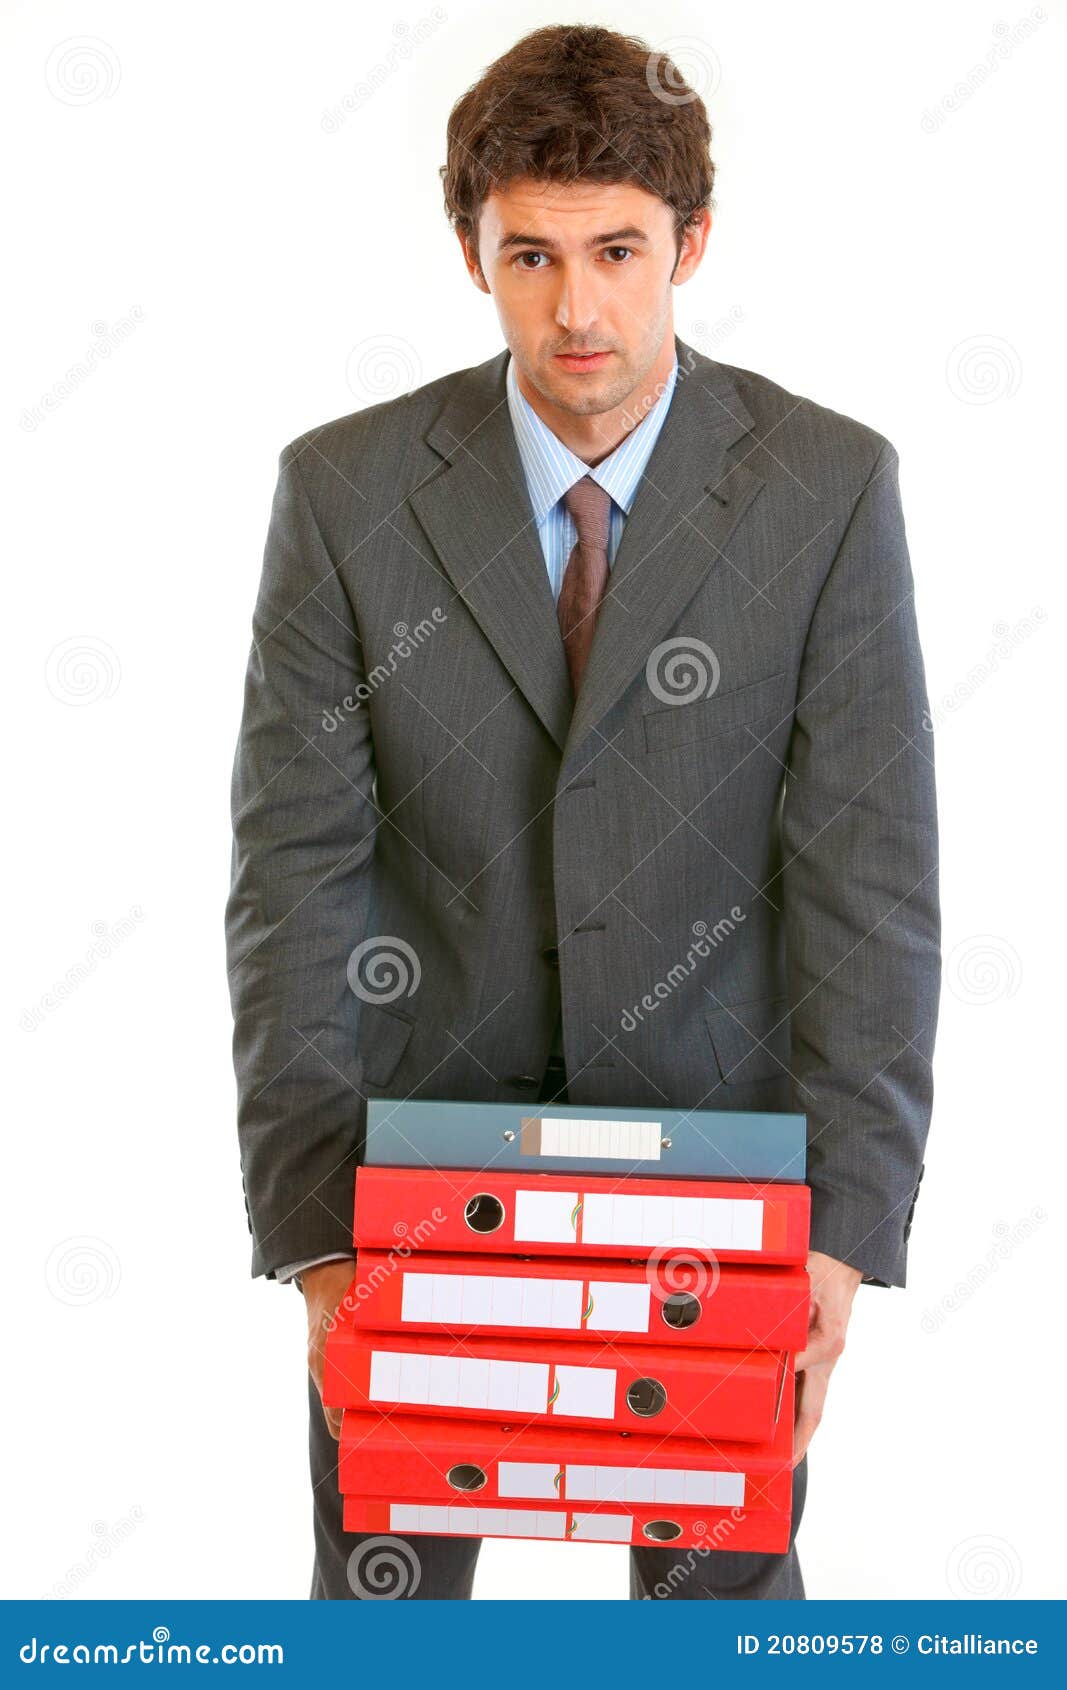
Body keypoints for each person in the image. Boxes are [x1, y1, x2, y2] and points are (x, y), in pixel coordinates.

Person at [225, 22, 940, 1601]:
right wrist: (312, 1236)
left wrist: (849, 1225)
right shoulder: (344, 495)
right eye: (529, 256)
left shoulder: (826, 490)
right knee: (387, 1624)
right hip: (410, 1181)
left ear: (692, 241)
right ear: (469, 250)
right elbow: (294, 880)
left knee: (722, 1633)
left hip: (727, 1185)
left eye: (618, 250)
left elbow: (868, 884)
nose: (578, 309)